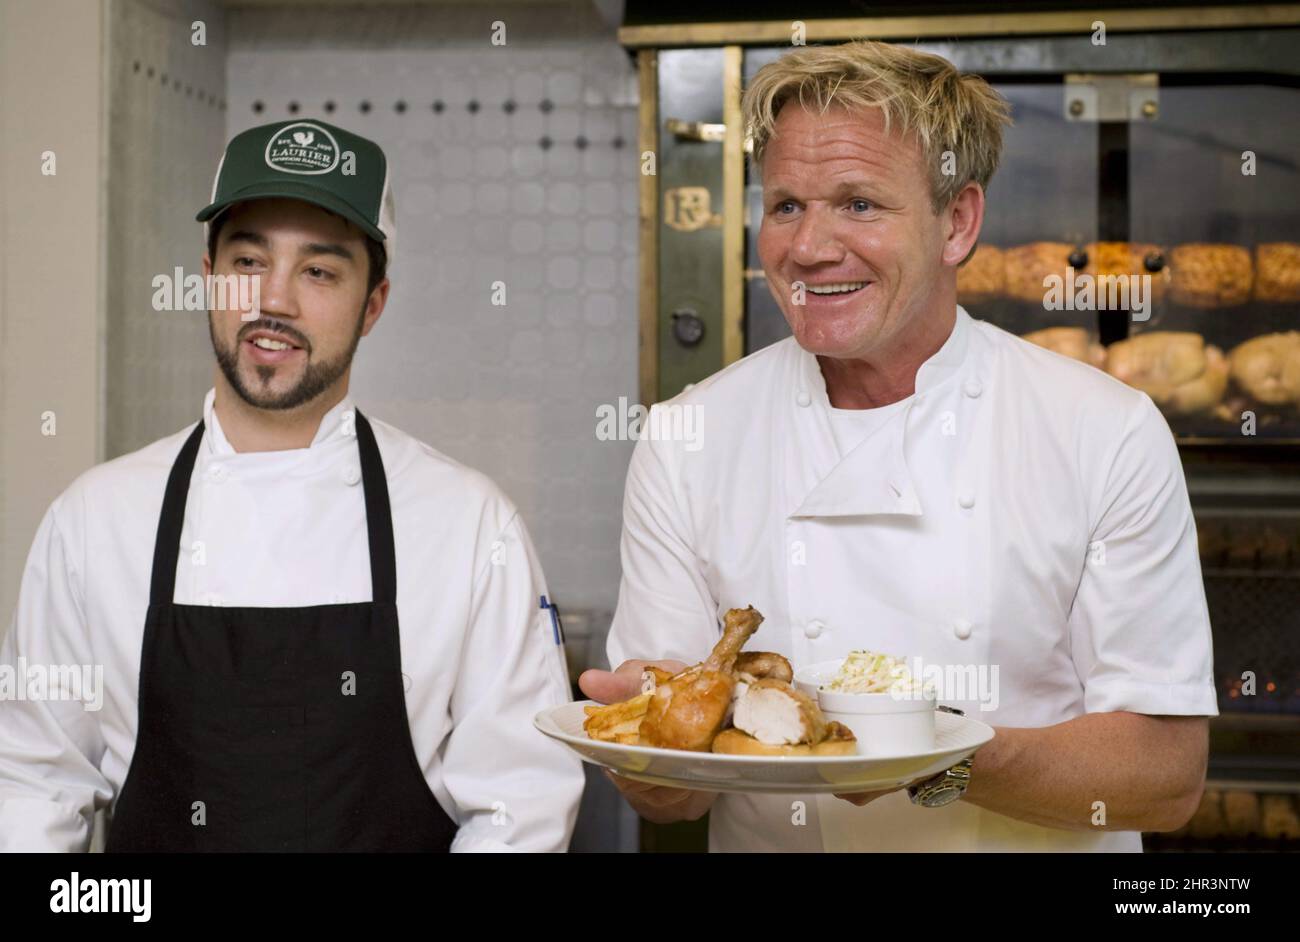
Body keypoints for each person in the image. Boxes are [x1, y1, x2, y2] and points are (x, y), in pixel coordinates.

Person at [581, 41, 1216, 852]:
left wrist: (931, 761)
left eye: (859, 204)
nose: (808, 248)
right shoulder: (687, 438)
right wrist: (642, 750)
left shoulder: (1101, 429)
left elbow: (1164, 777)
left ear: (958, 223)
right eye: (785, 206)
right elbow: (672, 802)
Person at [0, 119, 583, 852]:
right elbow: (31, 785)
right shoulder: (95, 520)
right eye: (248, 259)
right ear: (208, 276)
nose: (273, 300)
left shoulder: (469, 525)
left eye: (319, 271)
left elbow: (520, 806)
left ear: (373, 305)